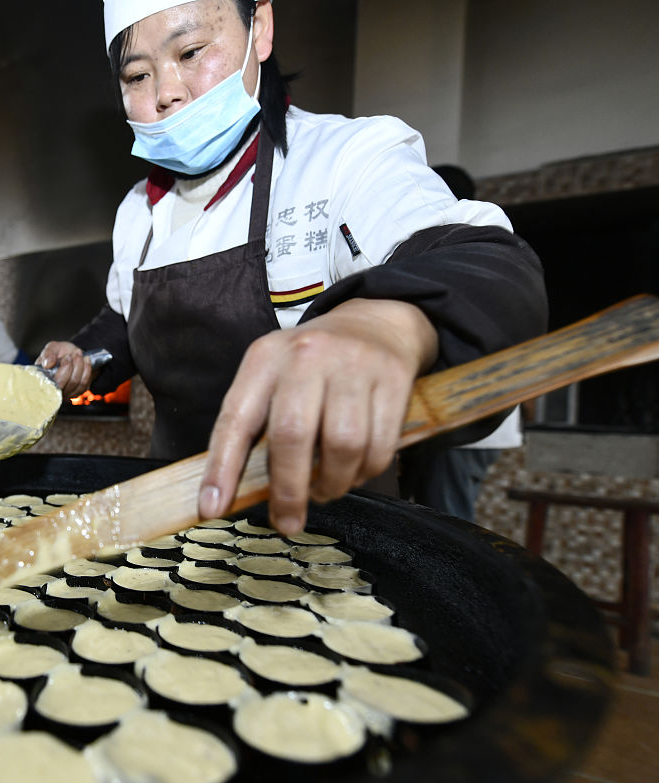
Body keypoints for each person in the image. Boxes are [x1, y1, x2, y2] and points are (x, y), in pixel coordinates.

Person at [38, 0, 546, 535]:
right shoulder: (138, 211)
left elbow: (480, 264)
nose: (166, 92)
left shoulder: (346, 159)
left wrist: (385, 323)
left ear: (260, 28)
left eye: (190, 52)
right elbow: (122, 322)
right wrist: (86, 357)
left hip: (326, 534)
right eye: (138, 75)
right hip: (174, 520)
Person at [397, 165, 522, 522]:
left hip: (462, 418)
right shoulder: (489, 244)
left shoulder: (457, 243)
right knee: (442, 516)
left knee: (445, 524)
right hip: (478, 420)